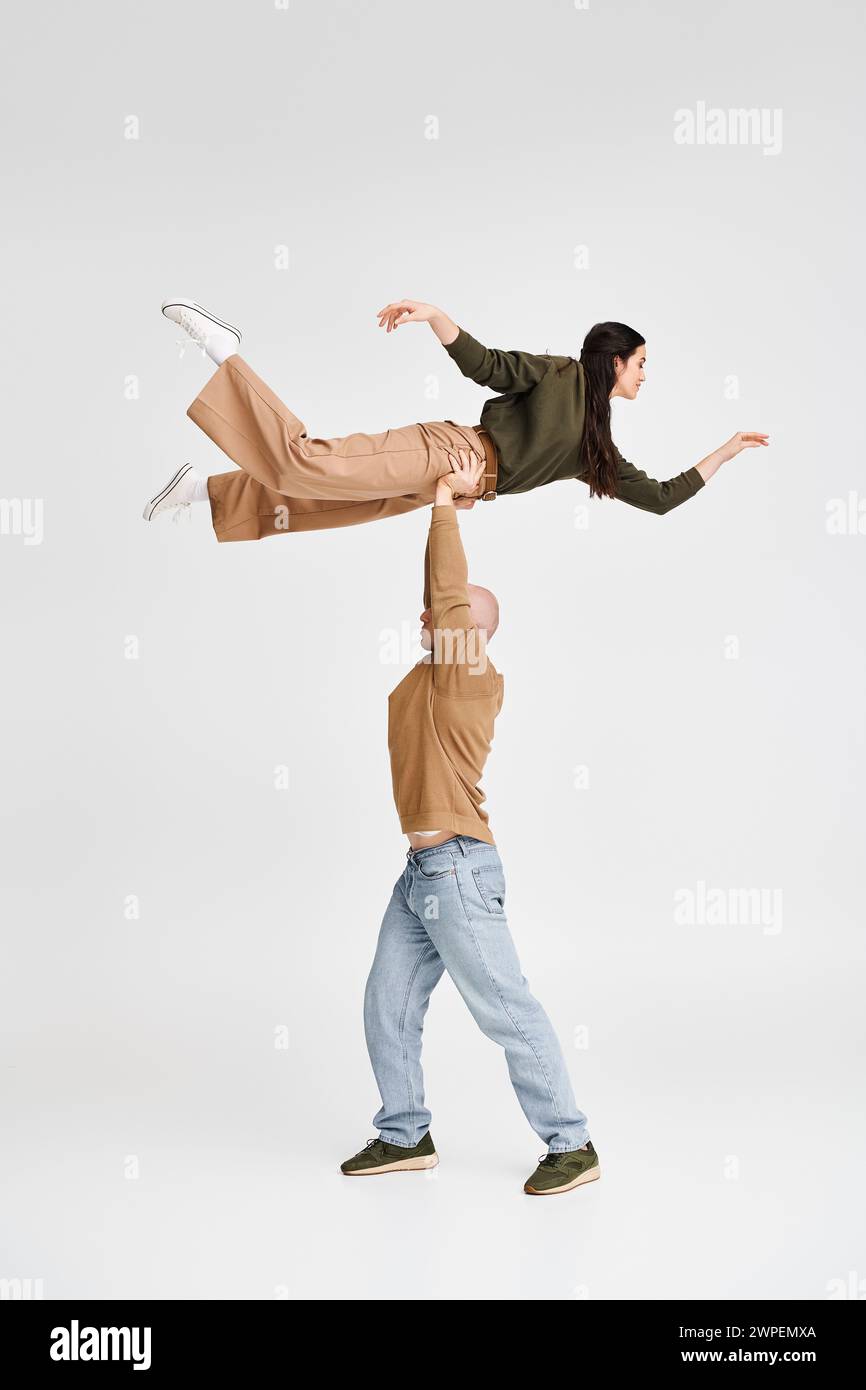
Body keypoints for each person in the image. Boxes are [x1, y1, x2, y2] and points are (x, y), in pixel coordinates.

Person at [339, 452, 600, 1196]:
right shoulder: (430, 674)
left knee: (507, 1011)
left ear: (474, 632)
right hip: (421, 873)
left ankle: (572, 1144)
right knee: (386, 1003)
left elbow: (448, 597)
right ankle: (404, 1133)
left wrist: (447, 505)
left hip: (459, 867)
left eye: (449, 613)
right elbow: (438, 593)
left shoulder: (469, 676)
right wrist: (434, 505)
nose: (428, 613)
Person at [144, 297, 769, 535]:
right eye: (640, 362)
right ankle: (222, 351)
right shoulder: (561, 374)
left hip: (451, 487)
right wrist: (437, 316)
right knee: (305, 461)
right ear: (613, 361)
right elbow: (488, 365)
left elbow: (659, 498)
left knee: (314, 504)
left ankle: (200, 490)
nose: (644, 373)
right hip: (447, 453)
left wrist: (725, 452)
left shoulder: (593, 447)